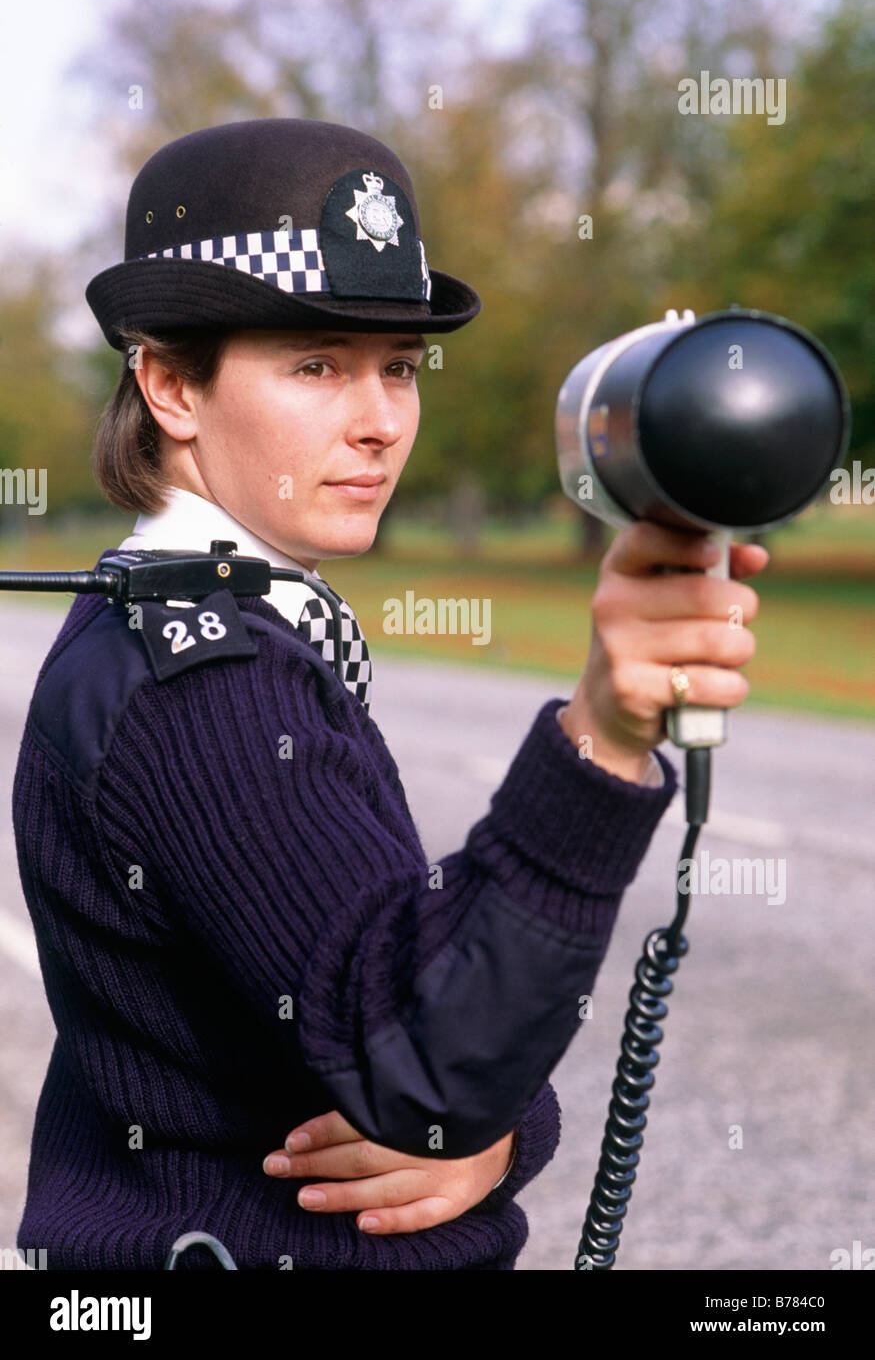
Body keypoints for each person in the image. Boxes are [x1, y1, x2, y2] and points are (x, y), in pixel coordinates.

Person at [13, 118, 767, 1270]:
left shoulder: (218, 618)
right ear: (168, 381)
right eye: (316, 364)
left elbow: (401, 1008)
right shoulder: (199, 682)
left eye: (399, 369)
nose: (378, 421)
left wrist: (501, 1127)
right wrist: (599, 738)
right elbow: (421, 1054)